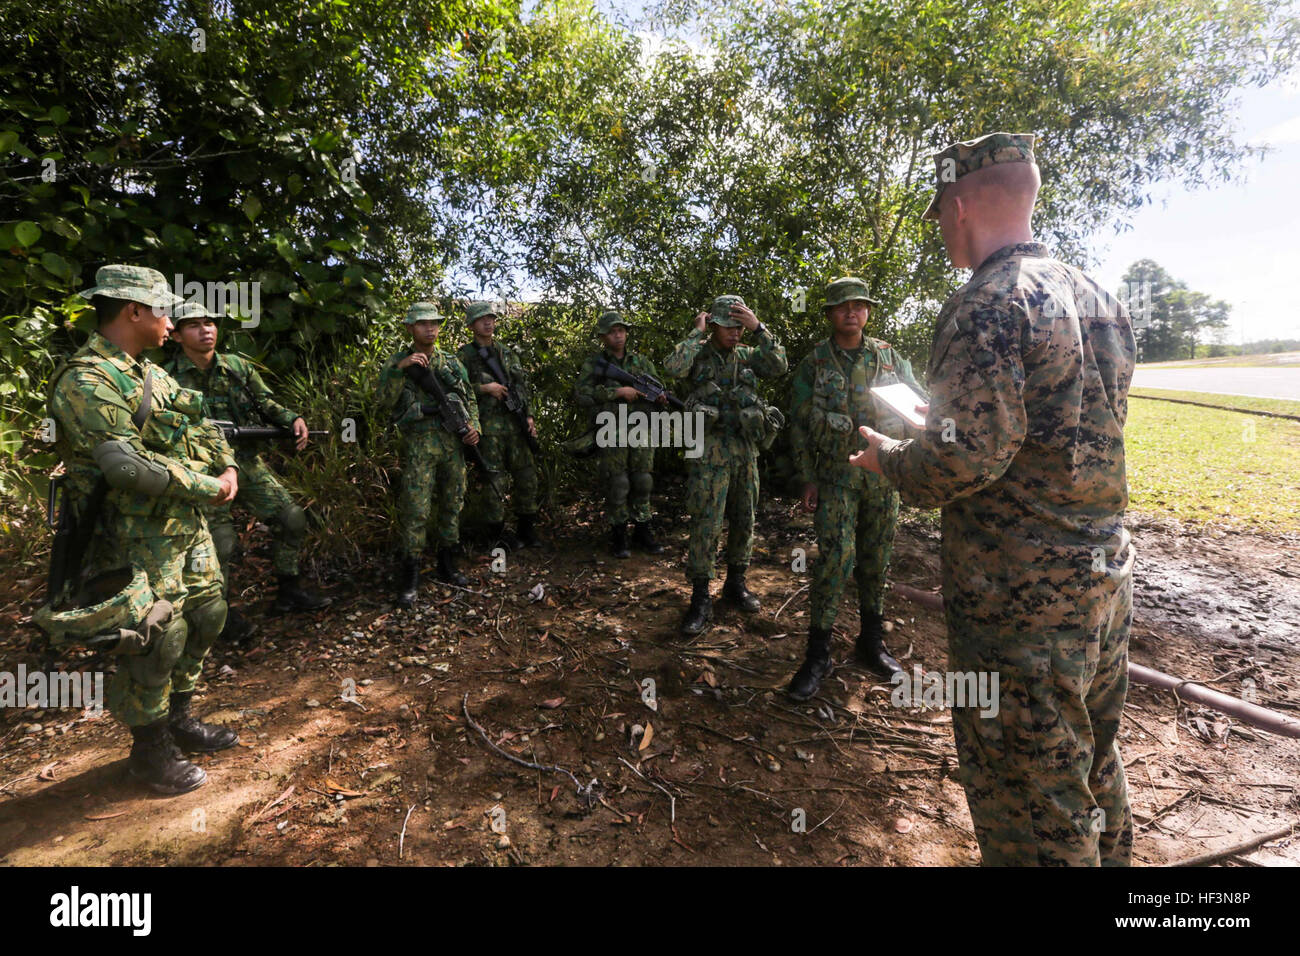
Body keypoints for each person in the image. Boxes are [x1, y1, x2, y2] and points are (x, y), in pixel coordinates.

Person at [850, 132, 1136, 866]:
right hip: (1103, 577)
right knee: (1091, 757)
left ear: (964, 203)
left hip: (1020, 598)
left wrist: (893, 461)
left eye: (941, 211)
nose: (942, 226)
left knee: (1030, 788)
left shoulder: (989, 301)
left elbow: (963, 458)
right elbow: (1061, 434)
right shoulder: (1096, 296)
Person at [40, 264, 243, 794]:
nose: (171, 323)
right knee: (159, 636)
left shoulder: (147, 371)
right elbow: (130, 469)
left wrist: (229, 467)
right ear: (133, 311)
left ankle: (179, 717)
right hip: (130, 534)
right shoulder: (86, 380)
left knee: (208, 613)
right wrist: (211, 488)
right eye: (164, 311)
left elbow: (202, 423)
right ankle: (149, 749)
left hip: (184, 524)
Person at [787, 277, 925, 699]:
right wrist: (807, 476)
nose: (852, 311)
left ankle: (871, 641)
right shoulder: (815, 363)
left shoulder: (888, 356)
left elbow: (918, 402)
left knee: (876, 558)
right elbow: (798, 422)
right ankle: (818, 651)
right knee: (835, 558)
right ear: (829, 313)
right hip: (835, 479)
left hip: (884, 476)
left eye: (860, 305)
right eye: (843, 306)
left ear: (868, 311)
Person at [165, 300, 327, 641]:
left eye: (209, 322)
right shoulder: (167, 378)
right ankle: (218, 616)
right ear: (177, 335)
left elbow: (265, 402)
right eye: (194, 325)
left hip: (246, 462)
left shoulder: (236, 366)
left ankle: (289, 589)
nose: (205, 329)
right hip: (201, 471)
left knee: (291, 517)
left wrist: (292, 419)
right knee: (221, 543)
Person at [663, 295, 787, 635]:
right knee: (707, 519)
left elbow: (780, 366)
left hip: (746, 449)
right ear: (714, 325)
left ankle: (735, 582)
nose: (735, 332)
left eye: (739, 325)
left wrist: (759, 328)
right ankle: (701, 597)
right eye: (728, 326)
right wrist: (695, 333)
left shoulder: (749, 355)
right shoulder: (698, 354)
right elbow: (672, 367)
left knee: (745, 516)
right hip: (709, 449)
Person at [379, 302, 482, 603]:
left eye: (434, 323)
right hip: (419, 447)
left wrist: (475, 427)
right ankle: (410, 576)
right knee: (417, 510)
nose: (430, 328)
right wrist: (400, 370)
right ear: (410, 328)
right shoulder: (397, 363)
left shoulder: (450, 363)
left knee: (452, 503)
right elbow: (384, 401)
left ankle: (447, 565)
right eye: (422, 324)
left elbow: (470, 397)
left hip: (453, 444)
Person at [574, 309, 668, 557]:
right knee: (618, 483)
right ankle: (618, 535)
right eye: (613, 332)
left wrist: (659, 397)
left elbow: (660, 389)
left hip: (641, 429)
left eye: (621, 331)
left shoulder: (642, 363)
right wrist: (616, 393)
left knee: (643, 481)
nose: (618, 336)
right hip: (611, 429)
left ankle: (643, 530)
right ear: (603, 336)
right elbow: (581, 395)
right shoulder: (594, 365)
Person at [457, 301, 542, 550]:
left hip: (516, 425)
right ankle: (496, 534)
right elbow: (456, 391)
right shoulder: (464, 355)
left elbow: (522, 387)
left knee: (527, 476)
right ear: (472, 325)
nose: (488, 322)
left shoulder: (507, 352)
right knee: (494, 480)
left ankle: (528, 529)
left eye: (491, 318)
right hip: (488, 428)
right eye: (482, 319)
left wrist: (529, 417)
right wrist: (484, 388)